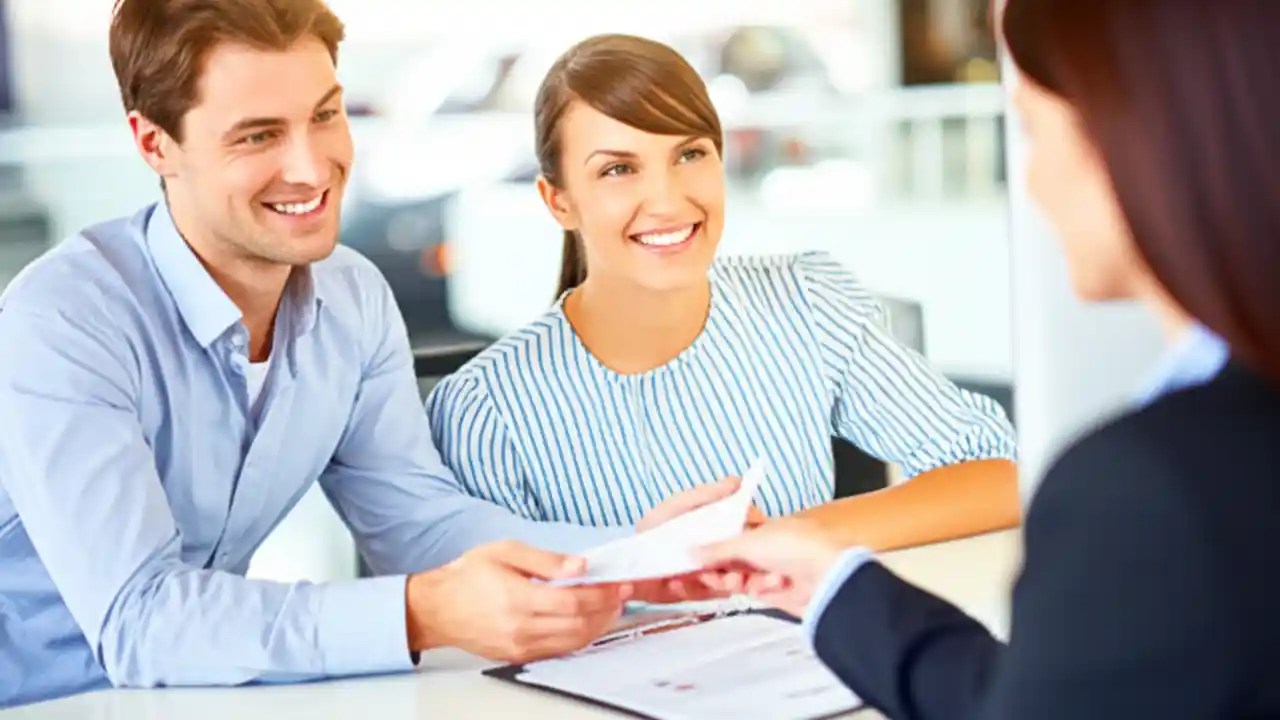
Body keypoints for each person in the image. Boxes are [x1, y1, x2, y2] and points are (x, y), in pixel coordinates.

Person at [0, 0, 735, 708]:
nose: (312, 167)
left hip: (186, 696)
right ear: (154, 142)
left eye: (324, 115)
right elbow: (140, 622)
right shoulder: (65, 319)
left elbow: (418, 527)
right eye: (257, 136)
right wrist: (416, 614)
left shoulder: (350, 300)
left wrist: (640, 561)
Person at [699, 0, 1280, 717]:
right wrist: (832, 589)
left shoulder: (1147, 489)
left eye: (1035, 132)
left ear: (1134, 140)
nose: (1031, 184)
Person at [426, 34, 1019, 553]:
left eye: (689, 154)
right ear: (559, 201)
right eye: (617, 169)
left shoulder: (806, 304)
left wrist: (796, 536)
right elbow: (485, 618)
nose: (666, 199)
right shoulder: (487, 411)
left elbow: (996, 471)